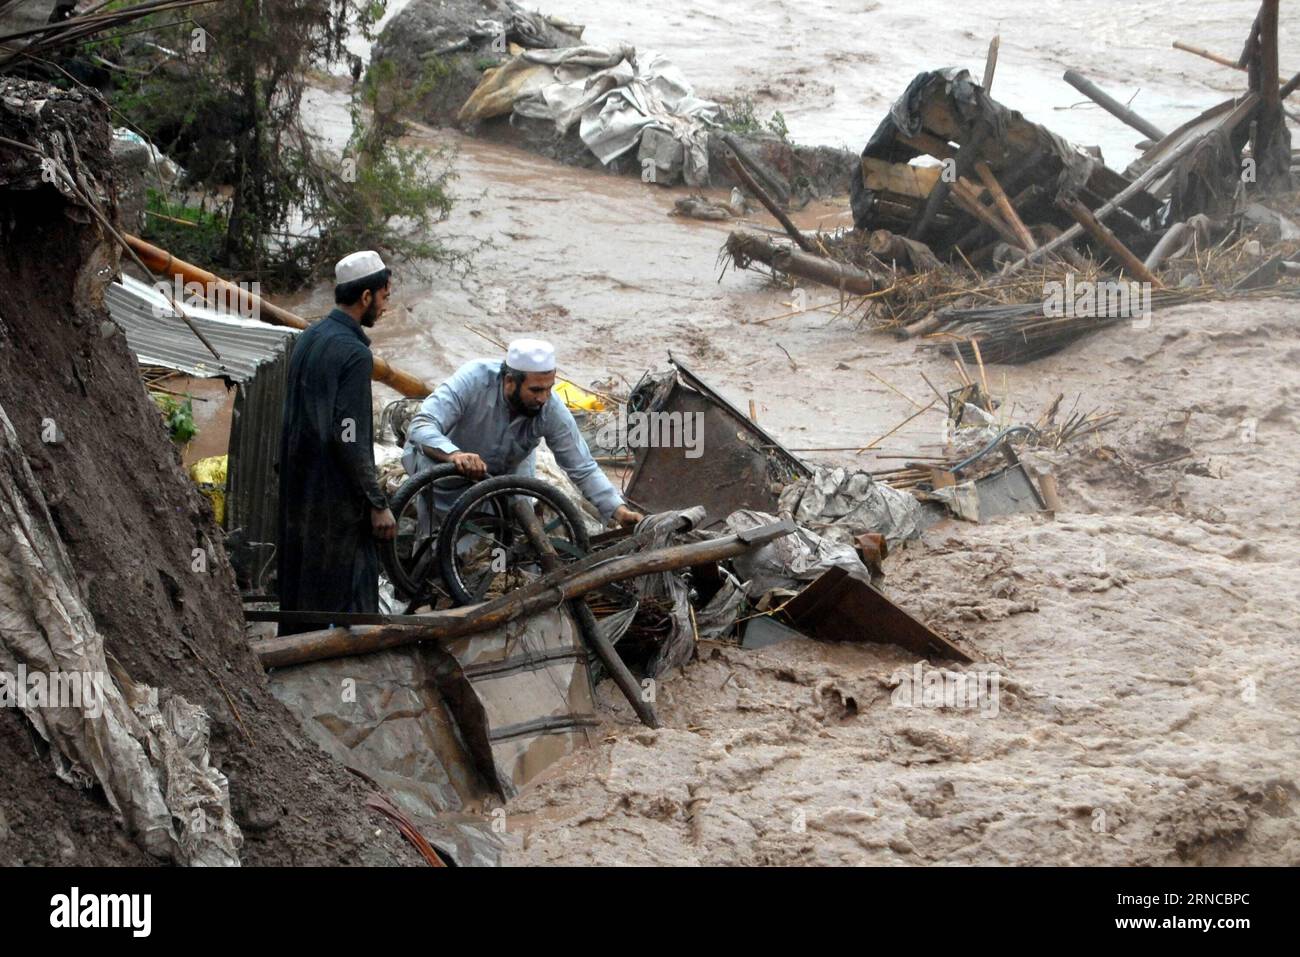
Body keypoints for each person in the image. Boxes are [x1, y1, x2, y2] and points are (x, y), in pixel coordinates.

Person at [277, 250, 397, 634]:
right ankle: (358, 665)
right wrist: (376, 502)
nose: (385, 304)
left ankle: (292, 656)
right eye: (384, 296)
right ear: (366, 297)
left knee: (300, 581)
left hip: (299, 483)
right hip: (334, 492)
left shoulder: (310, 336)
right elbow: (350, 434)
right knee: (355, 584)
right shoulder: (354, 353)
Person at [400, 338, 643, 527]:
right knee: (440, 544)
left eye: (549, 389)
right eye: (535, 390)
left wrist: (618, 510)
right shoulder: (474, 379)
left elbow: (582, 466)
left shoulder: (550, 406)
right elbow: (421, 426)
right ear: (509, 381)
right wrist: (455, 456)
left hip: (505, 475)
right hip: (445, 473)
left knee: (520, 530)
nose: (543, 398)